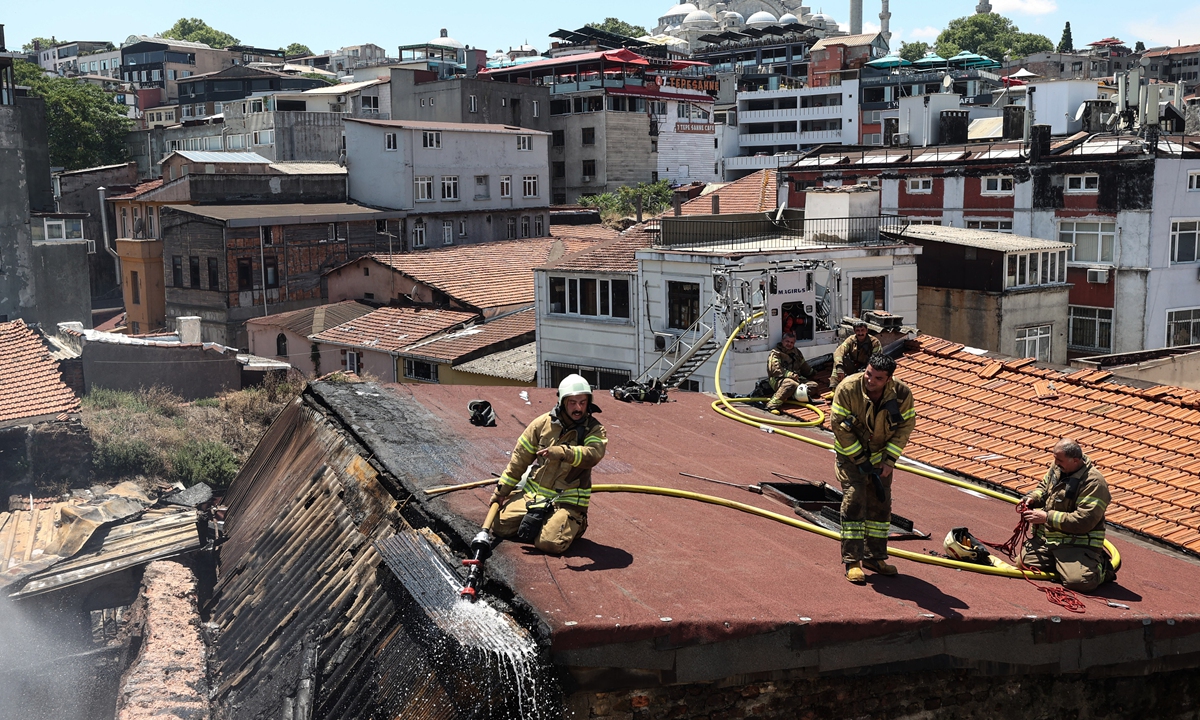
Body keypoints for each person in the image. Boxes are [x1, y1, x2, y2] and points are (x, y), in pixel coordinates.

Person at [490, 374, 607, 554]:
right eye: (573, 402)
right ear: (562, 401)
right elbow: (519, 460)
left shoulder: (594, 429)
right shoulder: (542, 424)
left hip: (567, 501)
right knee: (499, 526)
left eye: (583, 402)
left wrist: (562, 452)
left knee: (548, 543)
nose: (579, 408)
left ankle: (576, 523)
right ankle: (544, 519)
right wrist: (501, 491)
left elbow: (593, 454)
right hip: (534, 496)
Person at [831, 353, 916, 584]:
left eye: (878, 378)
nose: (870, 380)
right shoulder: (848, 389)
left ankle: (874, 557)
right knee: (855, 499)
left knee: (881, 503)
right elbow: (839, 427)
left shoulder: (902, 395)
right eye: (868, 374)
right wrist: (860, 459)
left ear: (889, 379)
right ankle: (852, 561)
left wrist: (888, 461)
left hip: (881, 460)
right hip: (851, 456)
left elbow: (905, 427)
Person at [1018, 439, 1112, 591]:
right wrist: (1033, 498)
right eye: (1055, 458)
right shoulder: (1058, 468)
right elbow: (1043, 488)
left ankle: (1102, 567)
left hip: (1077, 544)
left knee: (1078, 582)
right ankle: (1065, 567)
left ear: (1075, 460)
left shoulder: (1094, 483)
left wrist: (1046, 517)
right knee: (1022, 563)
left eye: (1059, 459)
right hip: (1049, 541)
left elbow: (1084, 521)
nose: (1055, 462)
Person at [766, 330, 817, 415]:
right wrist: (790, 375)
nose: (789, 344)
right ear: (782, 341)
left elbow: (804, 366)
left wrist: (813, 372)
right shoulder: (776, 353)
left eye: (791, 342)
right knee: (790, 384)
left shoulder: (797, 352)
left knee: (813, 386)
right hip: (778, 379)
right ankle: (772, 405)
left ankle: (790, 394)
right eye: (787, 341)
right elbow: (774, 370)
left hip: (796, 379)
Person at [831, 320, 882, 390]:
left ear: (866, 330)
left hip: (867, 369)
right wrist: (839, 368)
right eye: (858, 330)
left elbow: (876, 360)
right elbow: (839, 351)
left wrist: (866, 370)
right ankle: (834, 388)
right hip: (853, 366)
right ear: (854, 331)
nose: (860, 333)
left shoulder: (874, 343)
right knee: (838, 361)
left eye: (862, 330)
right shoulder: (851, 340)